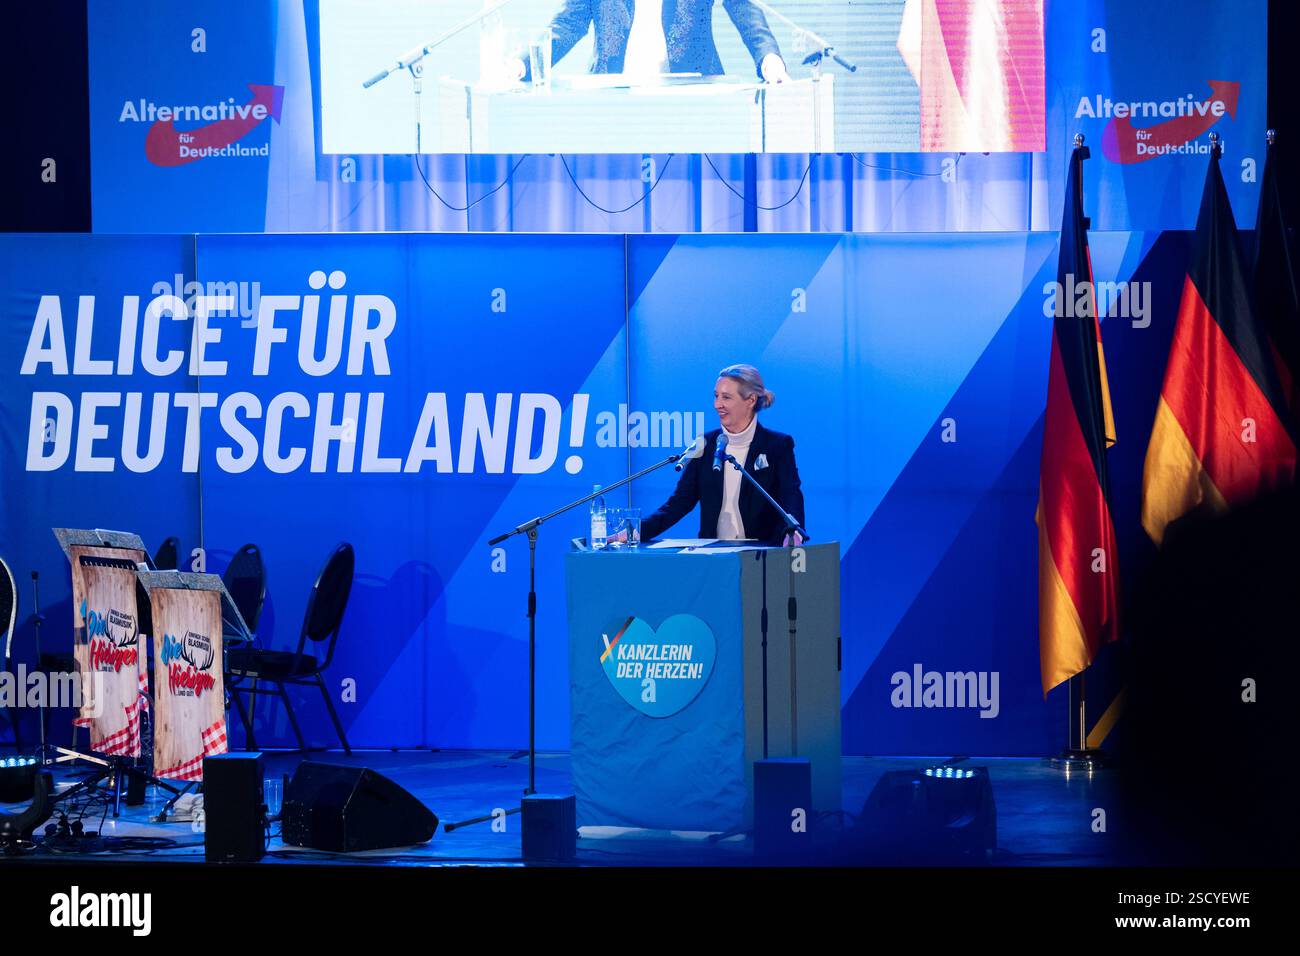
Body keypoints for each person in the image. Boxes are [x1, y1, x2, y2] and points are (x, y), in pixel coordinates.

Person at [636, 364, 806, 546]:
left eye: (726, 397)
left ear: (750, 400)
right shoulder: (705, 444)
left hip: (761, 556)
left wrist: (793, 531)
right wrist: (637, 531)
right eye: (716, 396)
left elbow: (790, 494)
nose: (717, 404)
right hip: (713, 558)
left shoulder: (777, 445)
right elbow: (679, 503)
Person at [516, 0, 790, 83]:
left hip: (693, 98)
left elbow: (742, 6)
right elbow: (568, 24)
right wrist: (520, 65)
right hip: (611, 98)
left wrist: (769, 57)